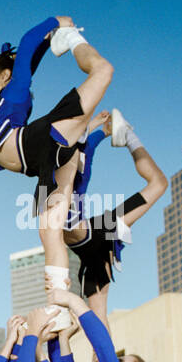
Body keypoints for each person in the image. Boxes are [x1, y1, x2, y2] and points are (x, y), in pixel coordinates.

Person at [0, 16, 115, 306]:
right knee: (51, 230)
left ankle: (73, 38)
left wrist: (57, 23)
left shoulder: (12, 90)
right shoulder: (8, 92)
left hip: (40, 141)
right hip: (43, 157)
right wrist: (49, 40)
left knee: (102, 71)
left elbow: (27, 45)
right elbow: (27, 60)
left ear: (4, 76)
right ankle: (58, 300)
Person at [64, 112, 168, 326]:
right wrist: (100, 129)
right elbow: (79, 143)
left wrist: (101, 130)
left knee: (100, 322)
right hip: (92, 235)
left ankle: (126, 134)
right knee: (158, 183)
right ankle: (127, 135)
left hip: (92, 236)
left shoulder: (79, 161)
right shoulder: (65, 163)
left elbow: (83, 145)